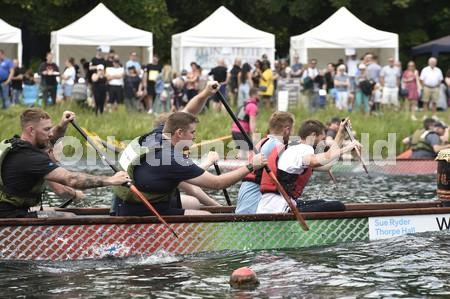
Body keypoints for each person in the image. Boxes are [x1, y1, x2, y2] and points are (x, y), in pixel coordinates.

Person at [113, 81, 267, 216]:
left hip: (124, 203)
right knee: (206, 216)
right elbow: (218, 183)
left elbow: (187, 113)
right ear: (179, 133)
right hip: (141, 210)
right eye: (192, 132)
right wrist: (251, 165)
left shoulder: (159, 134)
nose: (195, 137)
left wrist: (206, 93)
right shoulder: (172, 158)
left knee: (193, 203)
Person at [0, 108, 130, 218]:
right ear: (31, 130)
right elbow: (71, 179)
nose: (50, 134)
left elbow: (51, 139)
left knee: (50, 210)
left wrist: (63, 125)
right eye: (46, 130)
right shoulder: (30, 157)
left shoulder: (18, 145)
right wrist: (111, 180)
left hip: (12, 210)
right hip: (9, 215)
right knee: (70, 217)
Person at [256, 119, 359, 214]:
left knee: (324, 202)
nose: (322, 143)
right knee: (338, 205)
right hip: (278, 207)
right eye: (322, 139)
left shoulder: (293, 147)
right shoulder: (304, 149)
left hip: (271, 205)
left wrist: (341, 132)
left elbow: (327, 165)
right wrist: (346, 149)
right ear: (313, 135)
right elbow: (315, 162)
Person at [236, 112, 294, 214]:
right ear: (287, 130)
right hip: (254, 208)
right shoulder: (278, 146)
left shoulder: (262, 142)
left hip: (243, 205)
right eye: (292, 130)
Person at [231, 87, 260, 158]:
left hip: (235, 130)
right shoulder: (253, 106)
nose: (261, 95)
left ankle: (235, 165)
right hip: (241, 131)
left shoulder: (245, 103)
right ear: (254, 95)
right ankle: (251, 168)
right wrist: (254, 134)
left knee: (242, 151)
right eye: (259, 94)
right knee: (250, 152)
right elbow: (252, 122)